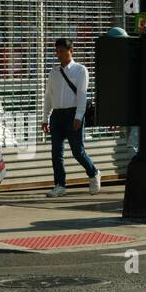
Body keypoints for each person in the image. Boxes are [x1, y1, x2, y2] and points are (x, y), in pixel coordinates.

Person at [42, 38, 101, 197]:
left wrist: (79, 116)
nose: (58, 54)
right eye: (57, 51)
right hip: (57, 115)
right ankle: (60, 185)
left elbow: (82, 95)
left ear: (71, 51)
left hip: (73, 114)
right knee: (56, 152)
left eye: (61, 51)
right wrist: (45, 118)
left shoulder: (80, 70)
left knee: (77, 151)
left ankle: (93, 172)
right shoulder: (53, 72)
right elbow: (48, 96)